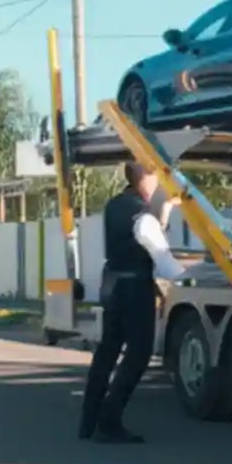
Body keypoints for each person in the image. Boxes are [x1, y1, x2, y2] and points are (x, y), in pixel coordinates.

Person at [78, 161, 185, 443]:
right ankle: (110, 420)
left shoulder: (115, 206)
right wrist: (191, 277)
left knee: (107, 352)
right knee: (137, 355)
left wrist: (163, 214)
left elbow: (136, 237)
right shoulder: (143, 217)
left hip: (112, 282)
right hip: (135, 288)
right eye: (156, 178)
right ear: (146, 178)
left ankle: (88, 420)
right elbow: (162, 260)